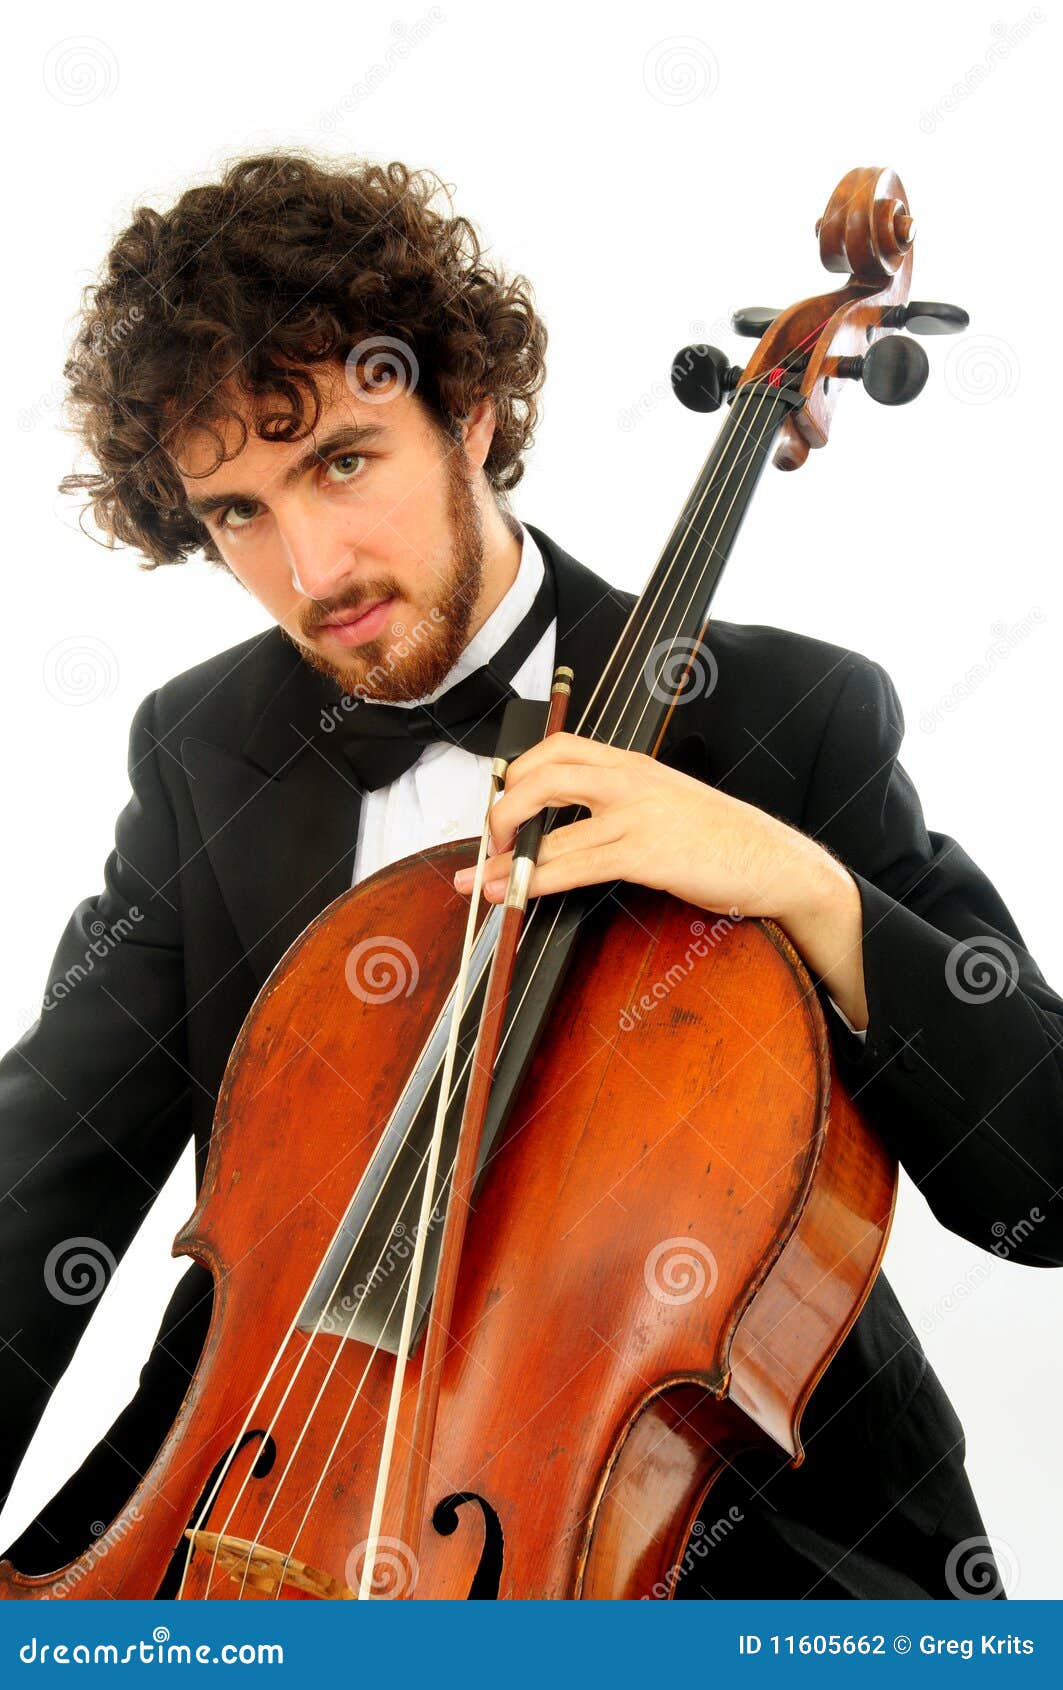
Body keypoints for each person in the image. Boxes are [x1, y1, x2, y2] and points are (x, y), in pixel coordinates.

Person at [1, 151, 1060, 1601]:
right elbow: (43, 1175)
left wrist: (805, 888)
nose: (311, 566)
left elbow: (1043, 1179)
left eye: (342, 460)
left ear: (471, 409)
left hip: (705, 1564)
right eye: (239, 511)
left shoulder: (783, 720)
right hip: (261, 1498)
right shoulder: (207, 746)